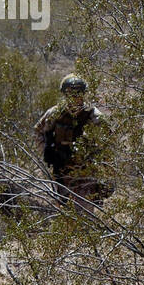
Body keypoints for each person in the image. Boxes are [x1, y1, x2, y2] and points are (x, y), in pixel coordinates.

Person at [34, 74, 115, 205]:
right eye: (70, 93)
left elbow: (109, 143)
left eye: (78, 93)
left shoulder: (95, 117)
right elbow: (38, 131)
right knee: (62, 210)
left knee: (85, 213)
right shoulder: (55, 113)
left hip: (86, 174)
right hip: (61, 171)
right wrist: (46, 152)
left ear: (83, 94)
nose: (74, 97)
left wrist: (105, 170)